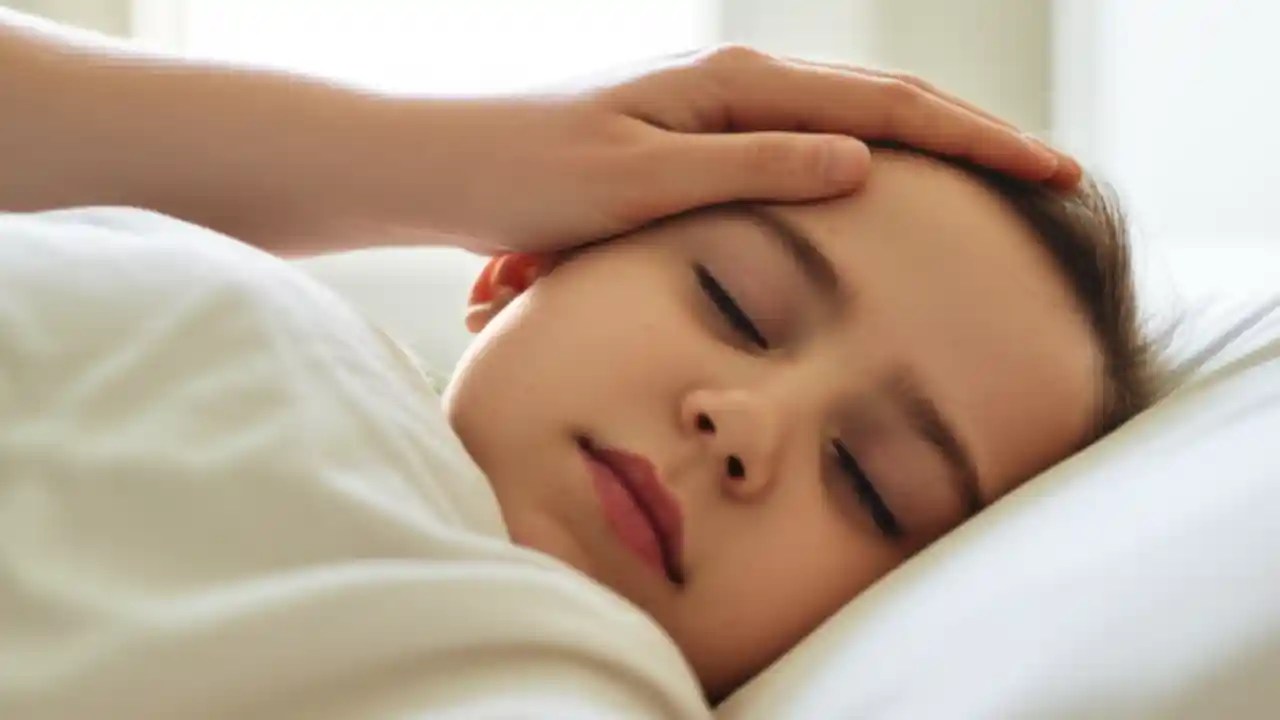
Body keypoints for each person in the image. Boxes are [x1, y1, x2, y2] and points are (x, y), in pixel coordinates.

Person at [0, 6, 1121, 718]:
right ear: (522, 263)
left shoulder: (566, 670)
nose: (743, 425)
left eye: (871, 484)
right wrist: (431, 157)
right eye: (733, 301)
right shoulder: (225, 304)